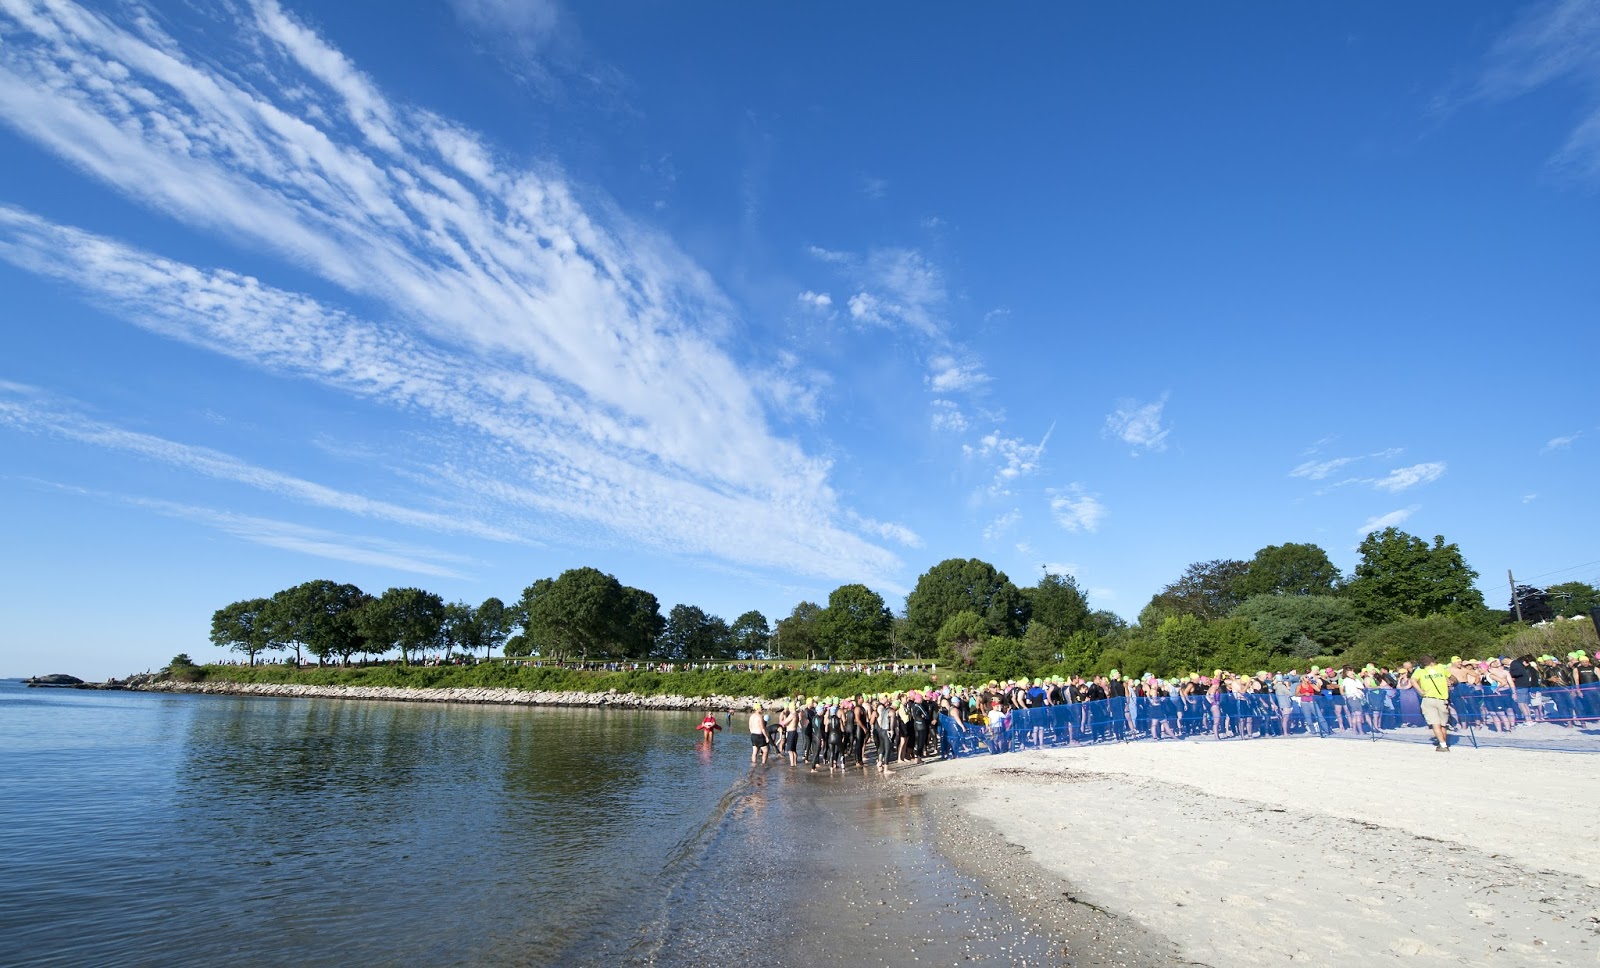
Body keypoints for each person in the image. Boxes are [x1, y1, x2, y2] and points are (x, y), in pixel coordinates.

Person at [1410, 654, 1453, 751]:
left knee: (1435, 723)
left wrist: (1421, 691)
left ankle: (1442, 745)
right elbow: (1452, 678)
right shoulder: (1440, 668)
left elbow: (1412, 681)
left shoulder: (1420, 671)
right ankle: (1443, 743)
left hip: (1428, 698)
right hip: (1442, 699)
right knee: (1443, 724)